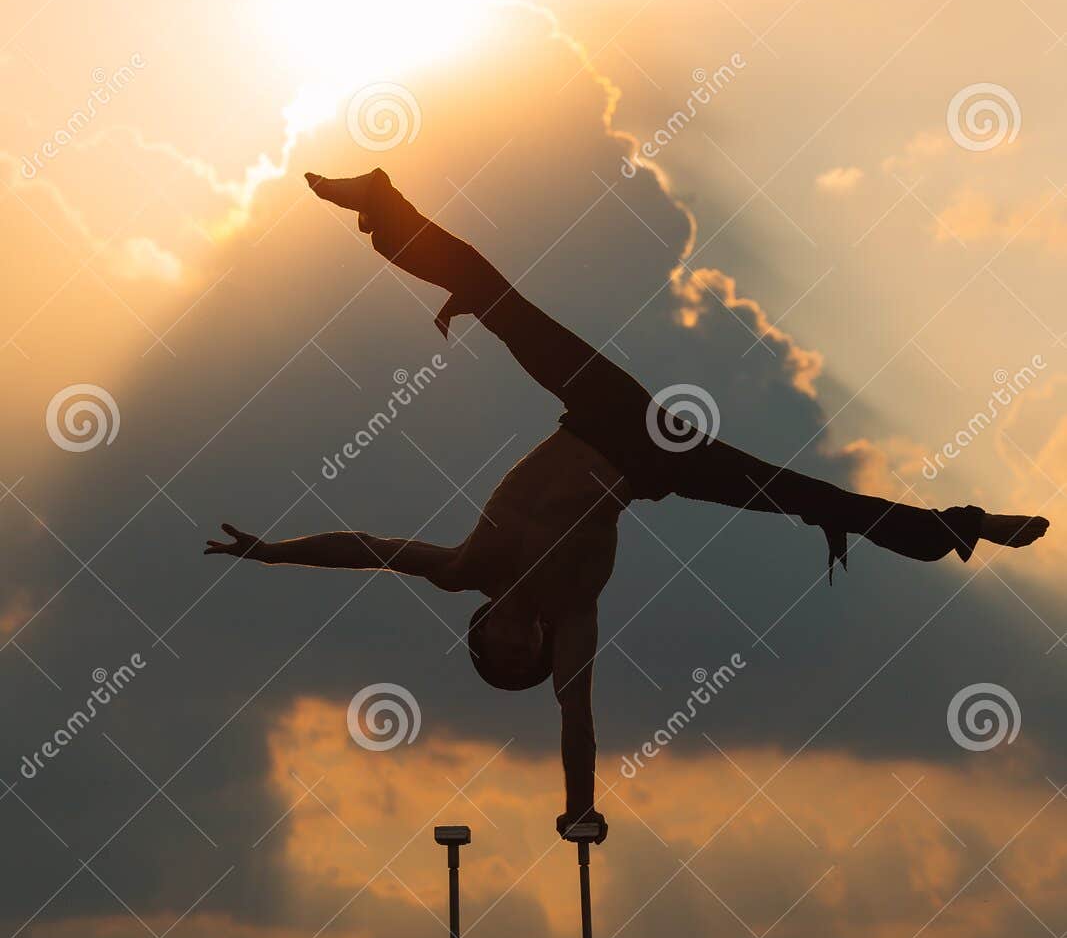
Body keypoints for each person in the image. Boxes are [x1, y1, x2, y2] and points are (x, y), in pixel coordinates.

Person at [204, 168, 1049, 842]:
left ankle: (382, 205)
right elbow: (576, 717)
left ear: (483, 629)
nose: (512, 644)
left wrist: (272, 552)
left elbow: (365, 549)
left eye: (496, 651)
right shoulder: (570, 615)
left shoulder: (465, 569)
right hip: (658, 463)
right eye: (521, 658)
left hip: (600, 412)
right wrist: (578, 807)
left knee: (497, 300)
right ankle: (963, 526)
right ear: (536, 646)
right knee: (803, 497)